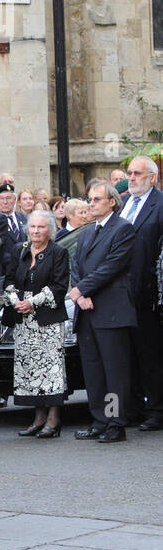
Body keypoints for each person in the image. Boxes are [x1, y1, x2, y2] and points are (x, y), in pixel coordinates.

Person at [69, 179, 137, 443]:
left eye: (96, 199)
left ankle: (115, 423)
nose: (91, 203)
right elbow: (76, 264)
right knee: (94, 371)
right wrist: (80, 293)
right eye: (89, 199)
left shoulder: (123, 229)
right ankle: (99, 420)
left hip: (111, 311)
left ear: (112, 202)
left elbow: (112, 266)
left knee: (114, 372)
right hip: (87, 312)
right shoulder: (86, 232)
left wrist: (82, 289)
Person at [4, 210, 69, 438]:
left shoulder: (58, 252)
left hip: (47, 319)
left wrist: (32, 302)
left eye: (41, 227)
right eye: (32, 227)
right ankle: (38, 417)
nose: (36, 231)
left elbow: (60, 286)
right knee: (30, 370)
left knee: (50, 370)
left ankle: (53, 419)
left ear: (50, 230)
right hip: (23, 320)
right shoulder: (19, 250)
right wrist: (15, 301)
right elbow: (9, 280)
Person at [118, 156, 163, 429]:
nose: (132, 178)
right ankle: (134, 407)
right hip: (120, 294)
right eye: (130, 173)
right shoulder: (123, 205)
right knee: (128, 355)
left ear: (153, 177)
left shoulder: (160, 205)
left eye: (138, 173)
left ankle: (157, 409)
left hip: (148, 293)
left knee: (151, 354)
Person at [0, 182, 28, 279]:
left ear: (15, 200)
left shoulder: (24, 219)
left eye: (9, 198)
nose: (5, 202)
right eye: (1, 198)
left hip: (25, 271)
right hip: (5, 272)